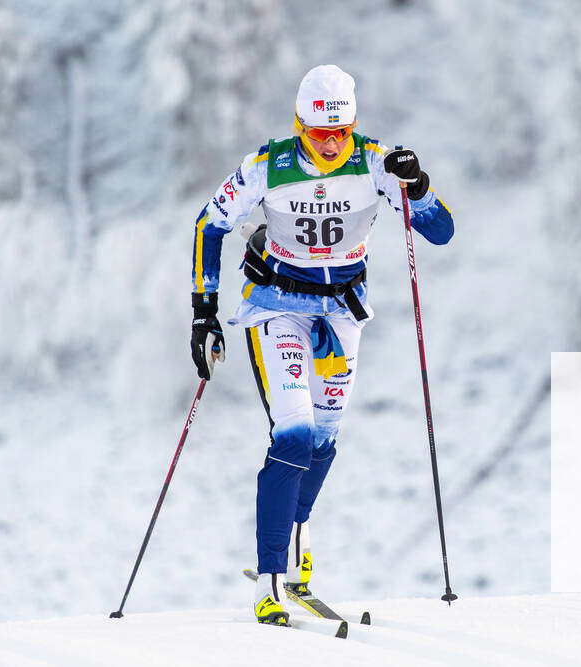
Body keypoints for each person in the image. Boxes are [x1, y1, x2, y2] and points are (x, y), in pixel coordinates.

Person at [188, 65, 454, 625]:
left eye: (341, 133)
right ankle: (269, 581)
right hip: (278, 305)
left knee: (325, 440)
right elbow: (209, 225)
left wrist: (420, 186)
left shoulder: (376, 160)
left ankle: (294, 542)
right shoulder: (267, 166)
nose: (332, 145)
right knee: (294, 431)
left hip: (343, 311)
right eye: (319, 135)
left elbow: (442, 231)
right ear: (300, 125)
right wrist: (203, 313)